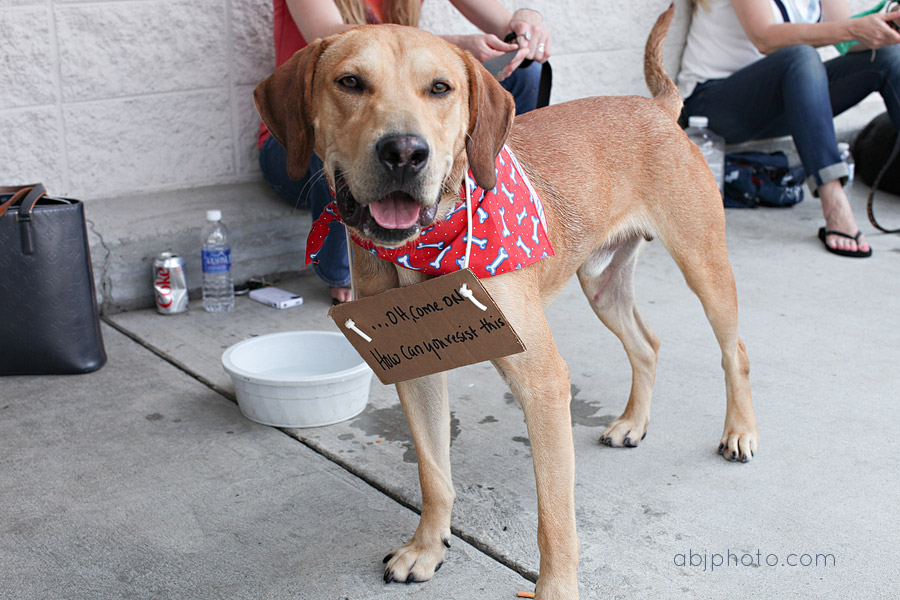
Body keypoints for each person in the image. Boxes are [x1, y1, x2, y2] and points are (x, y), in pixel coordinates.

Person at [259, 0, 552, 302]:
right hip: (291, 142)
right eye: (352, 82)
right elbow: (327, 31)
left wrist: (525, 24)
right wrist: (455, 44)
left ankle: (489, 191)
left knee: (525, 73)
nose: (405, 150)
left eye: (438, 88)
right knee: (335, 141)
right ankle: (340, 271)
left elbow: (503, 26)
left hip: (388, 144)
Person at [678, 0, 900, 258]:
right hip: (713, 104)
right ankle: (834, 202)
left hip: (784, 101)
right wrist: (853, 28)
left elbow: (849, 40)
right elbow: (765, 38)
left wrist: (890, 27)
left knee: (888, 56)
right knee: (801, 56)